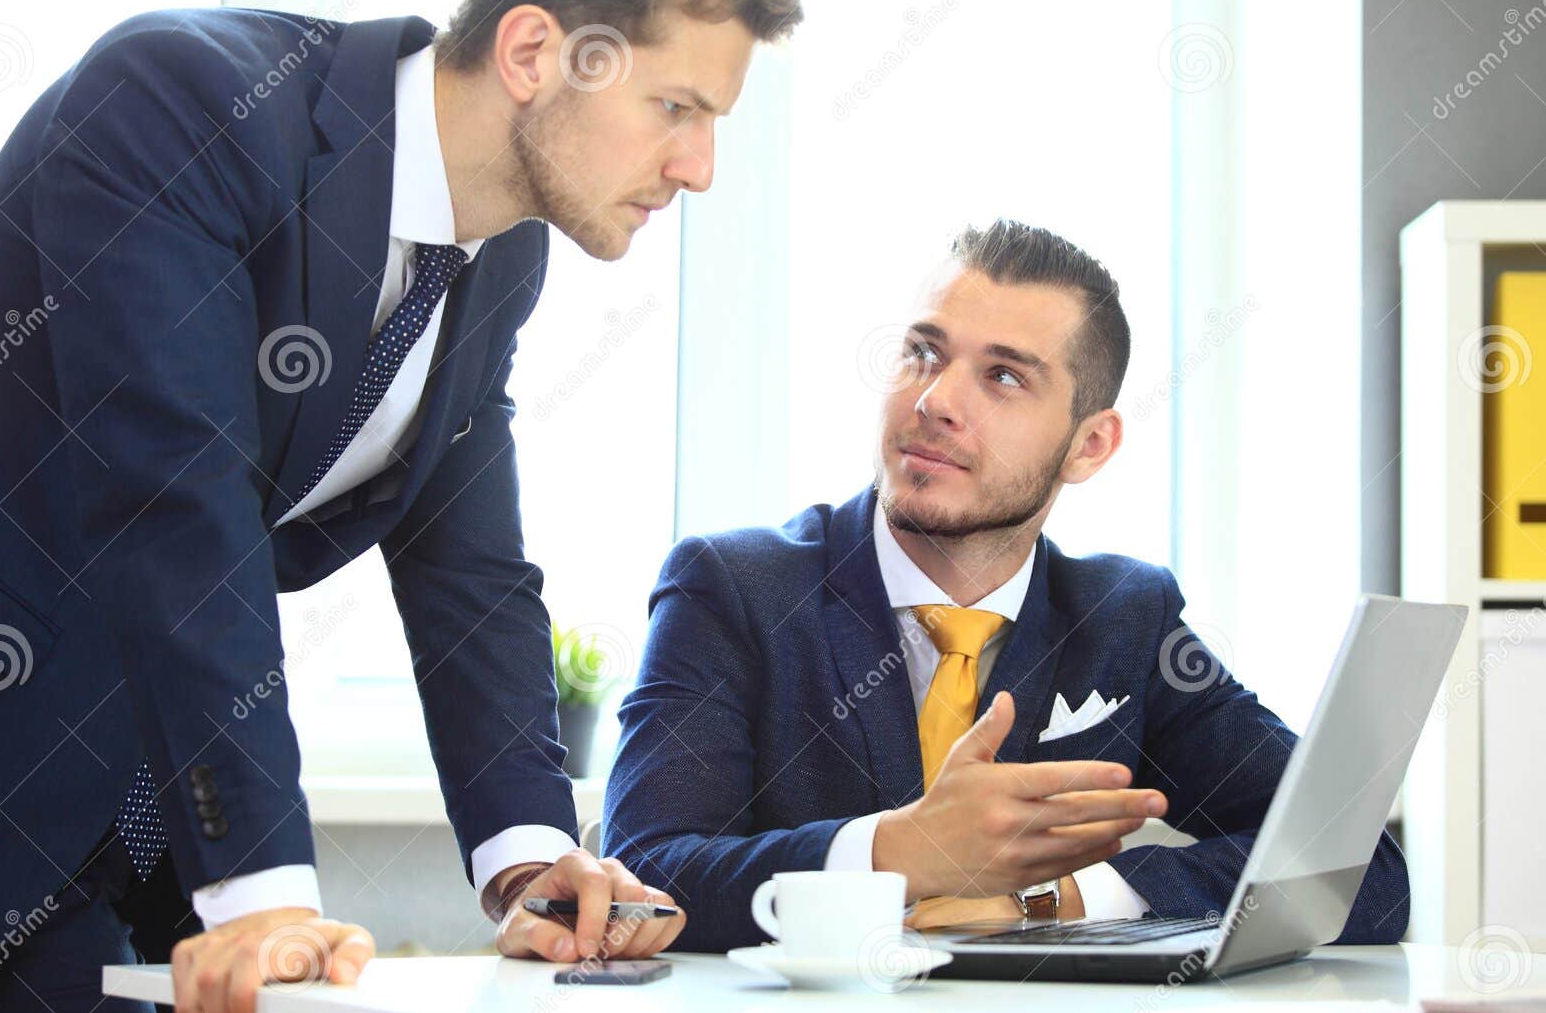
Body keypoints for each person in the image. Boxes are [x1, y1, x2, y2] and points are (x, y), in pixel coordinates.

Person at [0, 0, 802, 1013]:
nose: (700, 167)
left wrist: (531, 857)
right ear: (533, 51)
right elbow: (177, 504)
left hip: (145, 822)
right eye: (675, 106)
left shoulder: (497, 259)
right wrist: (260, 887)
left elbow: (471, 570)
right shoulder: (177, 100)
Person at [603, 219, 1410, 951]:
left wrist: (1057, 900)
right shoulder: (733, 588)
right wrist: (898, 854)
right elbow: (644, 878)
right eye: (923, 352)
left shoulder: (1123, 618)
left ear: (1089, 446)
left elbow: (1355, 872)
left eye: (1004, 378)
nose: (934, 400)